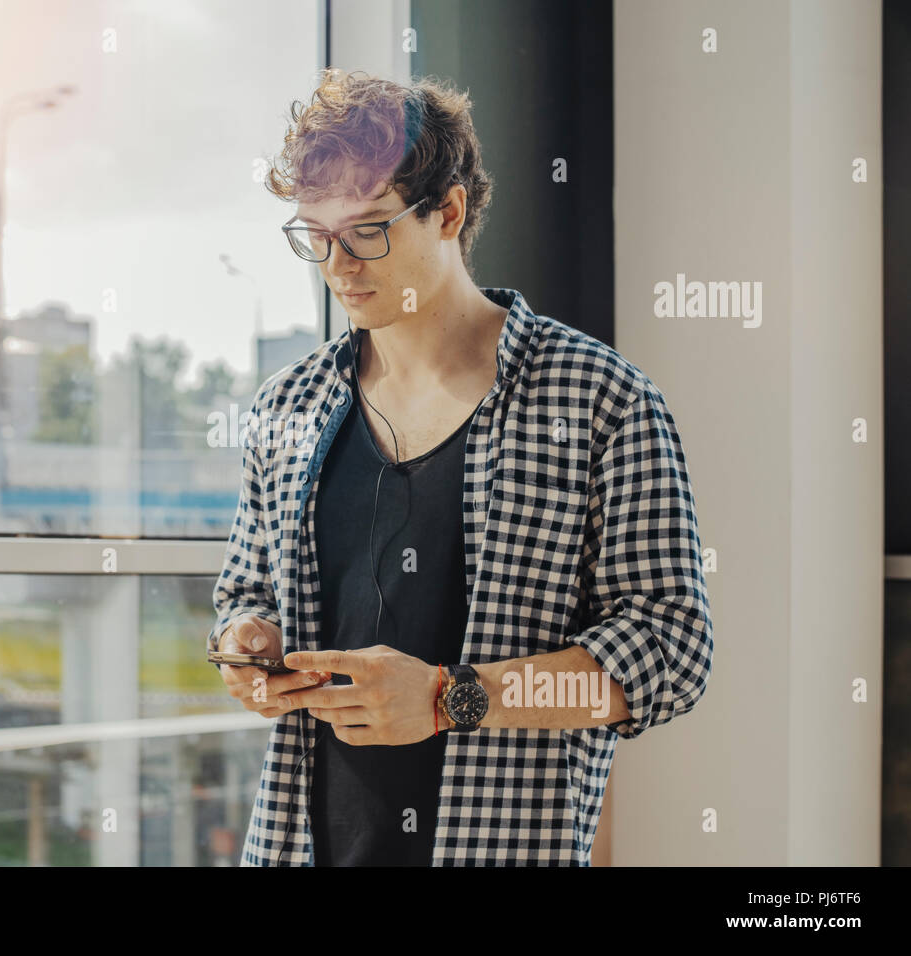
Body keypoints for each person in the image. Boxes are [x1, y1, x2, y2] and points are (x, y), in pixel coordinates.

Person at [207, 69, 714, 866]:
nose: (337, 265)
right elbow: (244, 593)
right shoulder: (287, 408)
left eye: (368, 230)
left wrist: (451, 699)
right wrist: (247, 642)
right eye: (316, 235)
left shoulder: (598, 401)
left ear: (448, 211)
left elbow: (671, 656)